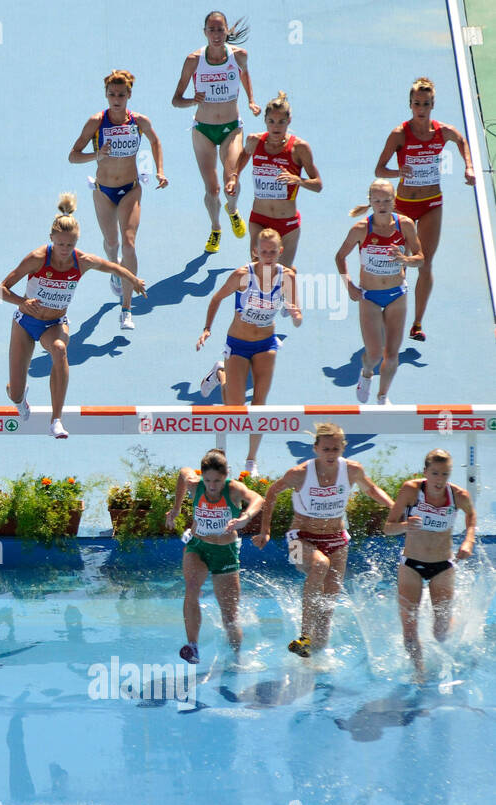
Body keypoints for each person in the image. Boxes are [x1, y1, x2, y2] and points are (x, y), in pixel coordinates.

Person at [0, 195, 146, 439]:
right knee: (14, 392)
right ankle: (18, 395)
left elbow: (113, 267)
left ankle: (56, 420)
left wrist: (133, 279)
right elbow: (0, 290)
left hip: (54, 324)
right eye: (61, 245)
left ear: (76, 242)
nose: (65, 250)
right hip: (25, 323)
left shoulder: (82, 261)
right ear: (52, 239)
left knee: (59, 349)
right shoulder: (37, 258)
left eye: (70, 245)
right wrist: (22, 302)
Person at [251, 424, 393, 657]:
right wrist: (265, 530)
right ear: (315, 448)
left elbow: (372, 489)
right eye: (326, 448)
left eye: (335, 449)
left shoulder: (352, 470)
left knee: (327, 608)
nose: (330, 453)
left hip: (337, 539)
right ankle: (304, 635)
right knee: (319, 565)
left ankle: (314, 659)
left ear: (343, 448)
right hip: (298, 540)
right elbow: (272, 493)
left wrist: (394, 507)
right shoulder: (299, 473)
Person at [373, 77, 477, 342]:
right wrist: (399, 172)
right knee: (400, 264)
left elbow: (461, 140)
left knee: (425, 263)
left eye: (426, 104)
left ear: (433, 105)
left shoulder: (442, 132)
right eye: (417, 103)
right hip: (404, 205)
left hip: (431, 204)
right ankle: (390, 313)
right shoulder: (399, 134)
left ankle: (417, 323)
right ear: (410, 105)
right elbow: (379, 169)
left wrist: (468, 166)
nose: (421, 108)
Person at [197, 228, 302, 474]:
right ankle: (219, 372)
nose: (268, 255)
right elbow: (216, 299)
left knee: (259, 405)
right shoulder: (243, 275)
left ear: (280, 252)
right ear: (255, 251)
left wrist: (296, 314)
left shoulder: (287, 277)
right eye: (263, 251)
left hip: (266, 344)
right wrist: (207, 329)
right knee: (234, 408)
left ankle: (251, 460)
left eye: (273, 252)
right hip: (238, 342)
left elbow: (294, 308)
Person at [68, 69, 168, 328]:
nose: (116, 99)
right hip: (103, 191)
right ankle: (114, 269)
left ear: (129, 95)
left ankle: (126, 308)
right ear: (106, 95)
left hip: (131, 189)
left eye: (121, 95)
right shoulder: (96, 122)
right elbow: (73, 155)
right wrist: (96, 156)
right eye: (111, 94)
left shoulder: (139, 122)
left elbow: (156, 142)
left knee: (129, 244)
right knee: (111, 245)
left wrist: (159, 170)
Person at [384, 449, 477, 682]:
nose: (439, 479)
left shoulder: (458, 495)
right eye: (435, 473)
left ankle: (456, 624)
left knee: (440, 633)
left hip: (443, 566)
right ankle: (419, 671)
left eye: (445, 474)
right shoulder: (411, 490)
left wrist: (468, 540)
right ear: (425, 472)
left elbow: (471, 516)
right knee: (409, 629)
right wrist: (405, 525)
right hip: (411, 565)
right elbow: (388, 527)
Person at [172, 11, 261, 253]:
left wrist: (252, 101)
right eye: (211, 30)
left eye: (220, 29)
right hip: (203, 130)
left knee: (231, 178)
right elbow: (176, 100)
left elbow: (245, 77)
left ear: (226, 31)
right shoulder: (193, 60)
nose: (216, 35)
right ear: (205, 33)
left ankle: (232, 210)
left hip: (232, 128)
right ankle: (215, 228)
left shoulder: (239, 56)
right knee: (212, 189)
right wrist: (193, 100)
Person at [165, 450, 263, 664]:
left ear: (226, 476)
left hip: (225, 552)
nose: (211, 486)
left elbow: (257, 499)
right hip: (198, 546)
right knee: (191, 589)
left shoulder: (234, 489)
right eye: (207, 480)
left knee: (229, 616)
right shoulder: (195, 485)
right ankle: (193, 647)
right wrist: (176, 509)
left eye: (217, 481)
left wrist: (245, 517)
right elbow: (183, 473)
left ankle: (237, 658)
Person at [334, 180, 425, 405]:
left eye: (386, 201)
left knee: (392, 355)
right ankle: (366, 374)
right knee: (374, 355)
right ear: (370, 202)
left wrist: (406, 260)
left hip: (397, 295)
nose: (382, 205)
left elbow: (421, 258)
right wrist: (349, 285)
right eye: (377, 201)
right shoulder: (361, 229)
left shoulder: (405, 225)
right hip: (370, 296)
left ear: (393, 201)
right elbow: (340, 257)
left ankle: (383, 396)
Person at [224, 90, 322, 268]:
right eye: (271, 121)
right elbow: (244, 156)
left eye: (281, 122)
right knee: (259, 275)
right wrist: (234, 177)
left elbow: (318, 185)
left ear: (289, 121)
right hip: (259, 219)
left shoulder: (299, 148)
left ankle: (290, 278)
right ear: (265, 121)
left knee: (280, 278)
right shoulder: (254, 141)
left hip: (287, 224)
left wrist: (297, 180)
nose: (276, 127)